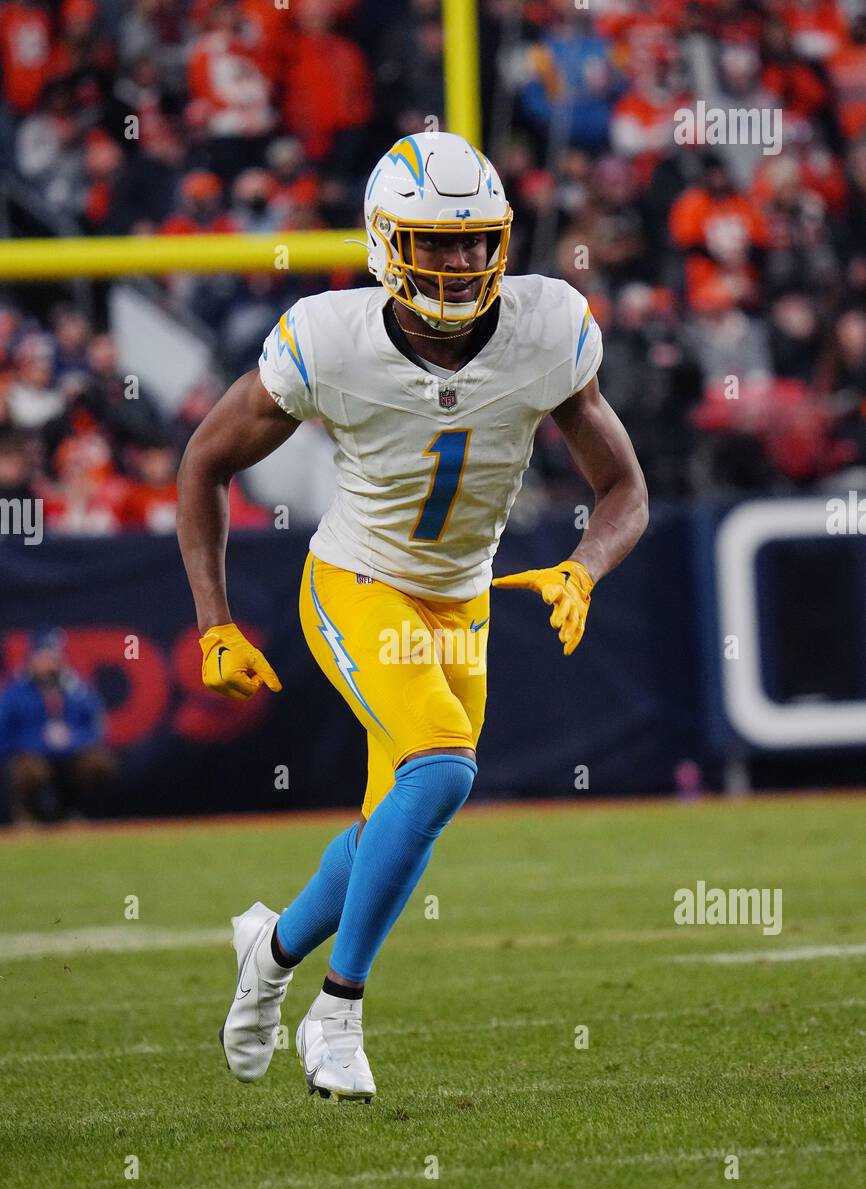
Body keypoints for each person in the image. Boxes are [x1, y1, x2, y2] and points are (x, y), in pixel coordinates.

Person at [176, 131, 648, 1101]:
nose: (462, 261)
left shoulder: (547, 327)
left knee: (400, 814)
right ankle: (336, 1011)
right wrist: (215, 621)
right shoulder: (329, 339)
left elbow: (623, 490)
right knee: (441, 768)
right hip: (357, 581)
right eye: (436, 242)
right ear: (386, 242)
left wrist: (583, 569)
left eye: (476, 241)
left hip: (461, 597)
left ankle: (267, 952)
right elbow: (203, 465)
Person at [0, 628, 114, 823]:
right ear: (31, 658)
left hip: (71, 755)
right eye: (42, 656)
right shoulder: (16, 691)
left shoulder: (77, 688)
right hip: (30, 755)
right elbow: (4, 732)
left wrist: (72, 739)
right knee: (28, 769)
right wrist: (38, 743)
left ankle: (74, 813)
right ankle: (27, 816)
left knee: (96, 763)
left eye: (52, 655)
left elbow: (96, 728)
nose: (47, 662)